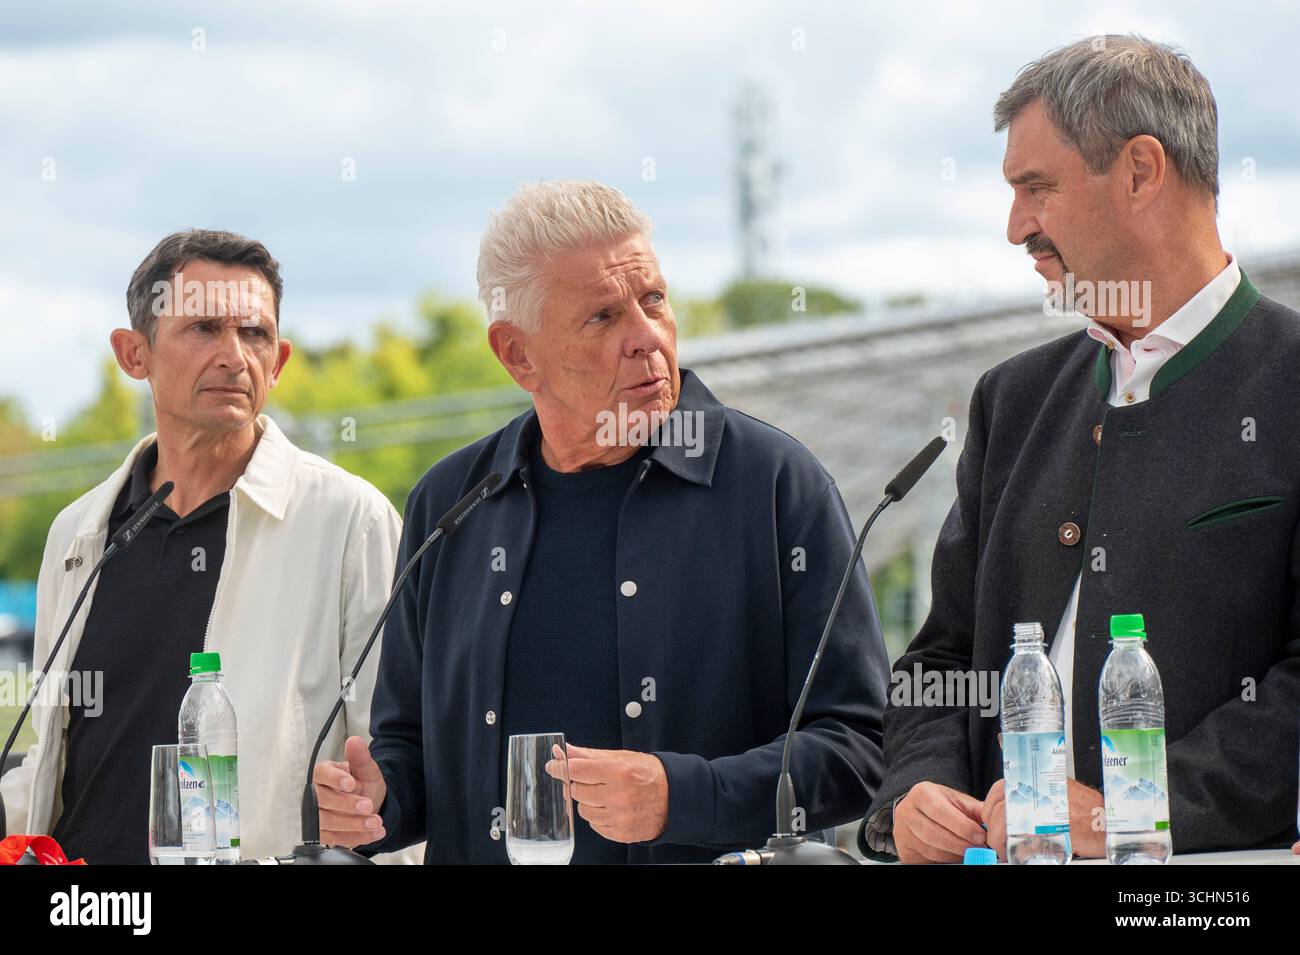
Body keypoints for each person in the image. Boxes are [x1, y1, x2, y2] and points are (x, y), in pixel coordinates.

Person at [312, 180, 891, 863]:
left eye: (653, 301)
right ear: (517, 354)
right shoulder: (449, 503)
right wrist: (381, 799)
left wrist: (684, 794)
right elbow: (409, 747)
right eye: (603, 318)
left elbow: (861, 749)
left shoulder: (777, 486)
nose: (646, 337)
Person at [861, 36, 1300, 862]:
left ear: (1140, 171)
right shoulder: (1013, 397)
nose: (1015, 226)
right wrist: (915, 793)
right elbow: (941, 659)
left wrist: (1138, 811)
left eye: (1037, 188)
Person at [1, 230, 417, 863]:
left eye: (254, 334)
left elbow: (394, 766)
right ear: (133, 353)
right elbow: (60, 752)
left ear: (278, 362)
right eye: (203, 329)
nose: (233, 356)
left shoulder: (350, 521)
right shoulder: (79, 531)